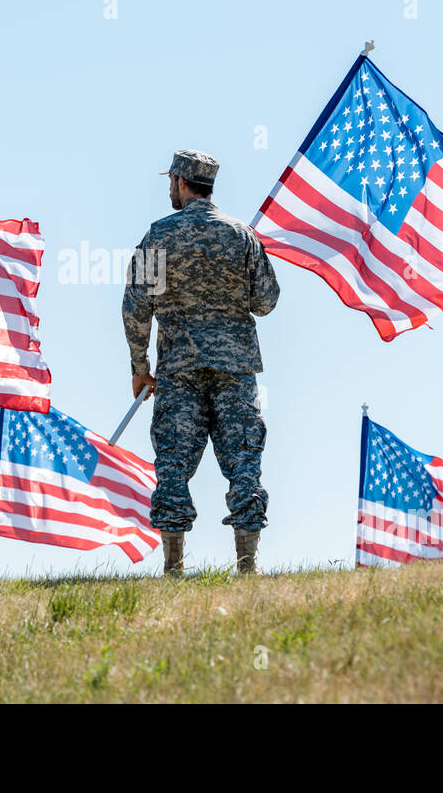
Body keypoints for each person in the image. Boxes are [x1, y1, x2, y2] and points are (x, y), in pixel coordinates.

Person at [122, 150, 280, 576]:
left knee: (173, 464)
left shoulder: (159, 236)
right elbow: (266, 301)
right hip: (235, 368)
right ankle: (248, 567)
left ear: (179, 181)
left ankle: (173, 570)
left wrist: (139, 366)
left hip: (179, 369)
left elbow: (136, 305)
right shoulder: (241, 235)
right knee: (244, 462)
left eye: (169, 180)